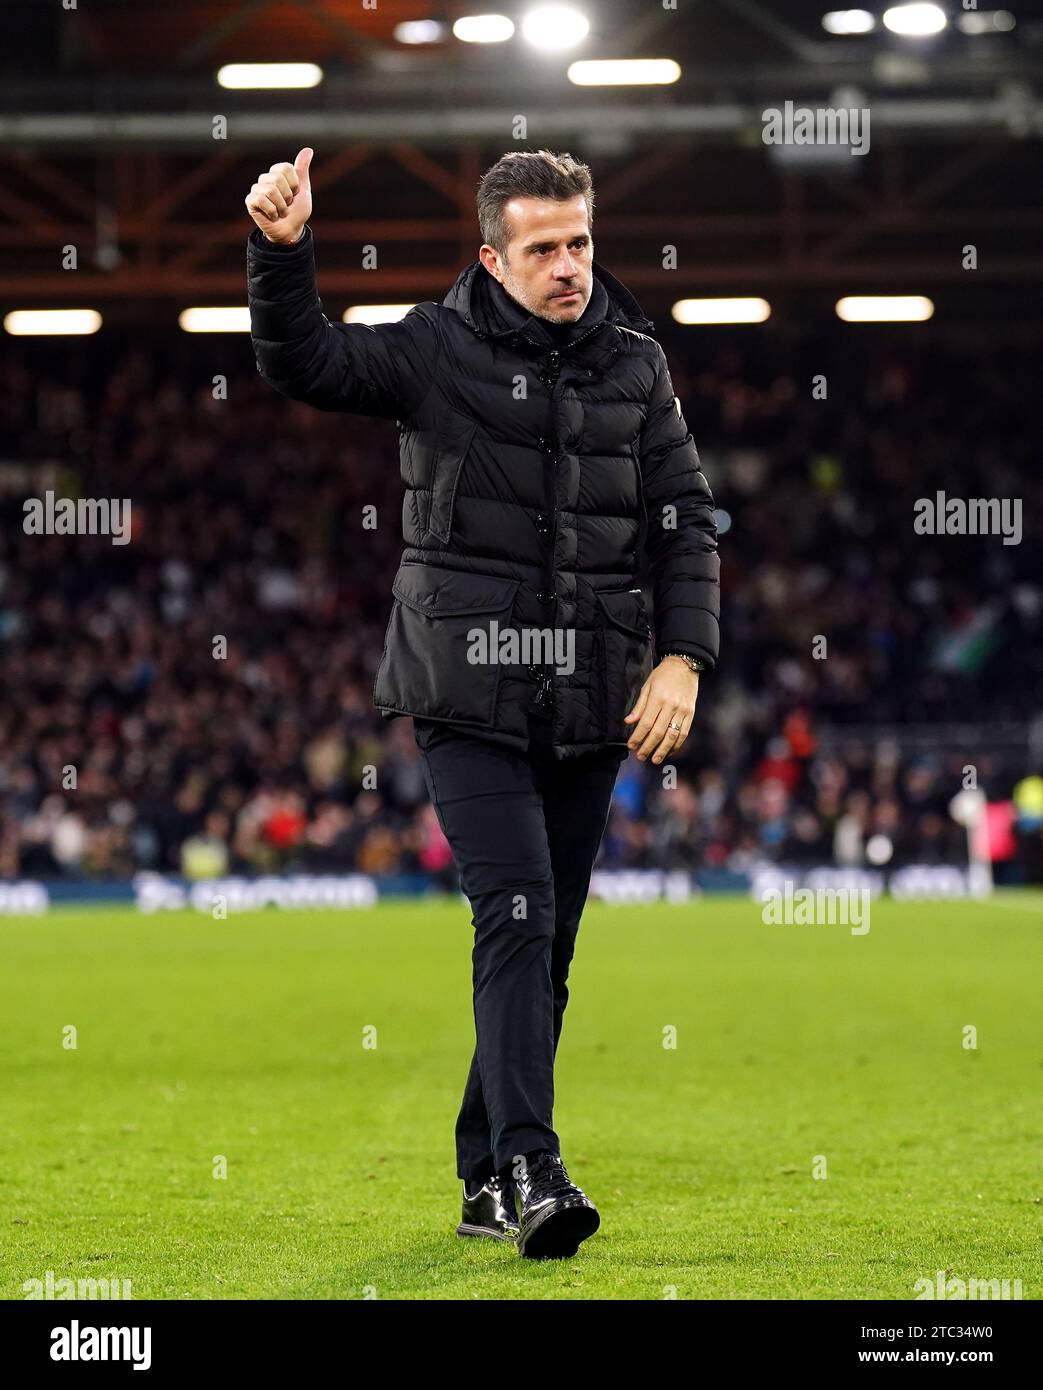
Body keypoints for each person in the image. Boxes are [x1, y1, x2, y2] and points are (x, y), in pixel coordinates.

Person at [246, 147, 720, 1259]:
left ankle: (480, 1174)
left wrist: (682, 657)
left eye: (580, 243)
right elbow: (303, 361)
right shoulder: (435, 346)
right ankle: (530, 1167)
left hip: (595, 693)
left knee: (543, 944)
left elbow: (684, 521)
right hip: (465, 692)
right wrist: (281, 253)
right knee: (515, 914)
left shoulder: (634, 366)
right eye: (543, 248)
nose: (567, 267)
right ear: (492, 256)